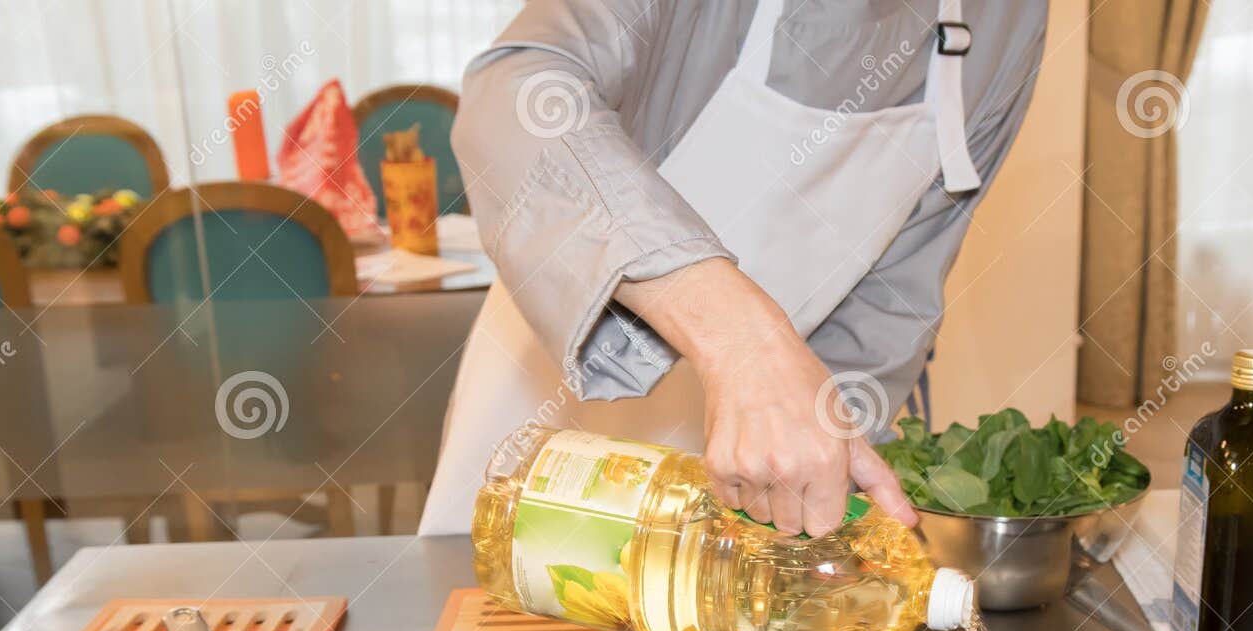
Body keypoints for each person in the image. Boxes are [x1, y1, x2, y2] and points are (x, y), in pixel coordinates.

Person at [419, 0, 1047, 537]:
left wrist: (833, 470)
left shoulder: (1007, 18)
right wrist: (740, 339)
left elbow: (890, 297)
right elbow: (517, 89)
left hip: (759, 491)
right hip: (552, 416)